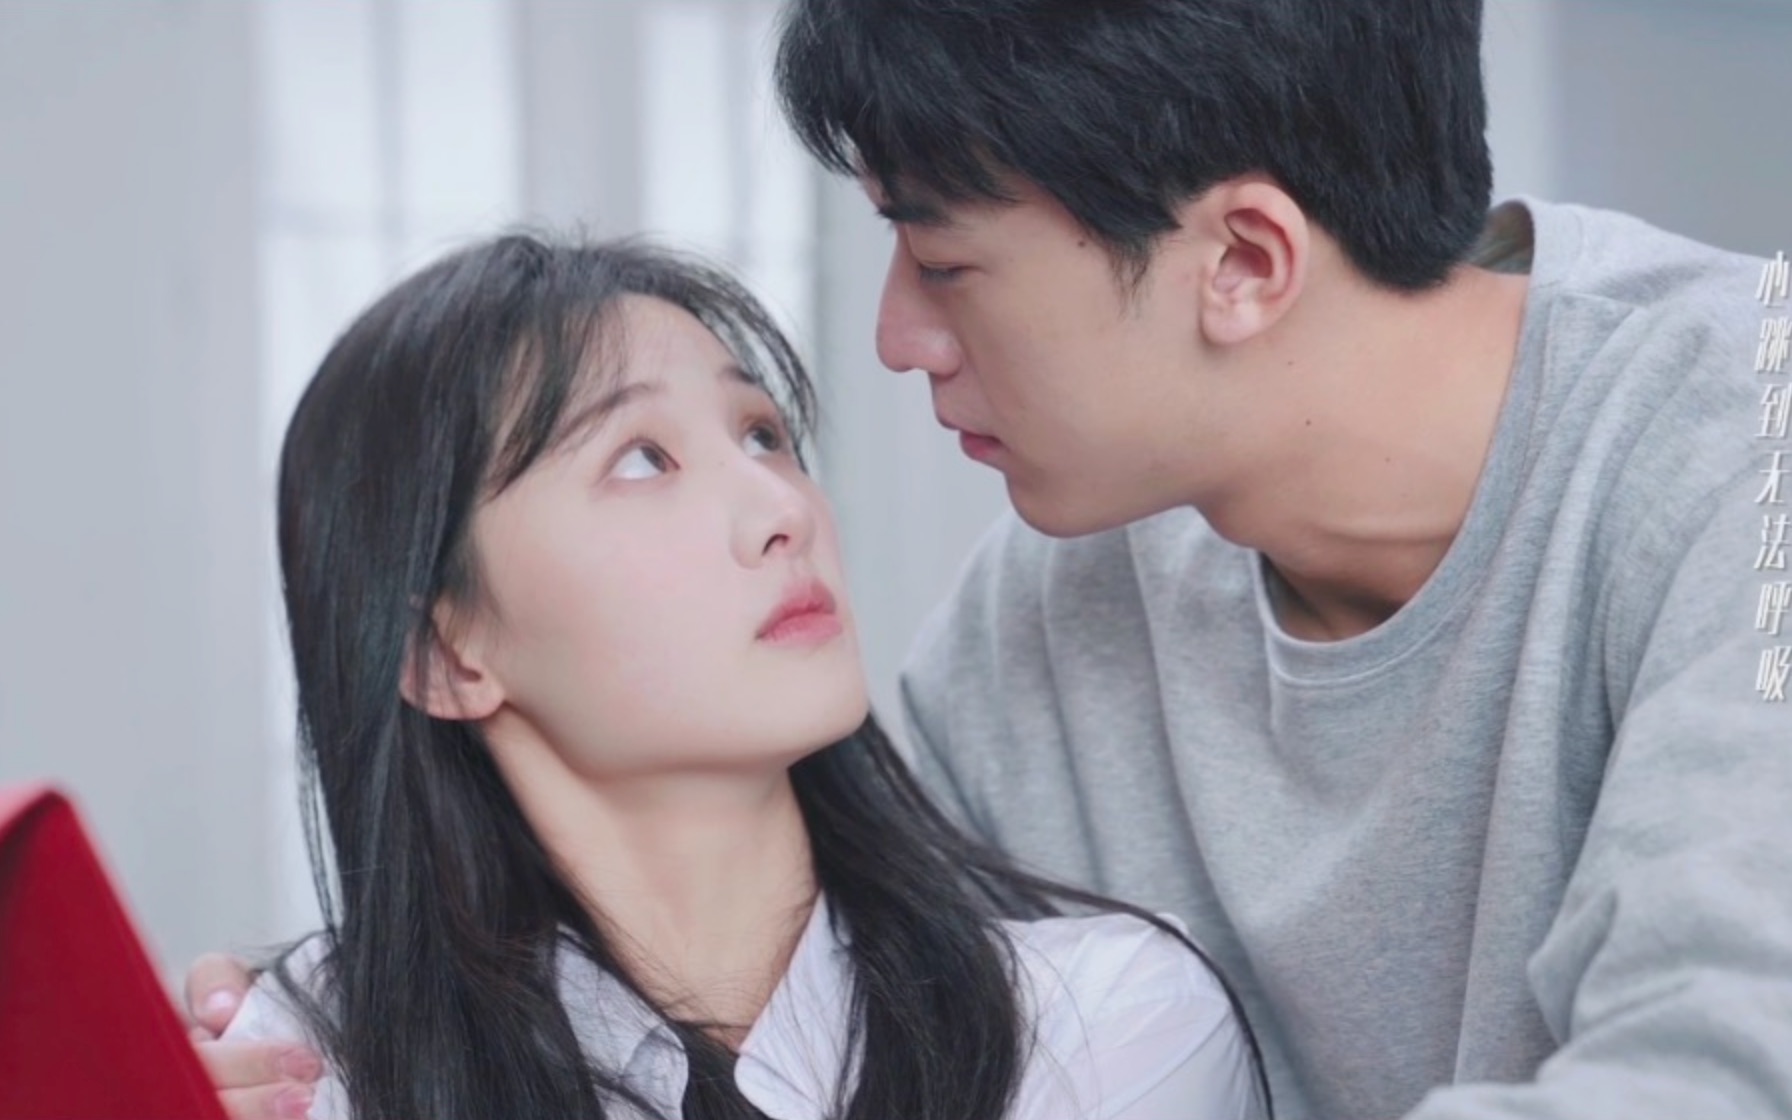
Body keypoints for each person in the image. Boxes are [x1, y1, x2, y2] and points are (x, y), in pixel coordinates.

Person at [190, 1, 1792, 1117]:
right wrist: (310, 1034)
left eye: (946, 261)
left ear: (1243, 261)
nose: (896, 339)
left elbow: (1716, 1075)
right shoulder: (1068, 603)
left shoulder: (1748, 441)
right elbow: (787, 933)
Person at [201, 233, 1264, 1120]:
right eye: (642, 459)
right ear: (445, 656)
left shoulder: (1103, 1025)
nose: (781, 510)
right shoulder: (304, 1068)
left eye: (763, 435)